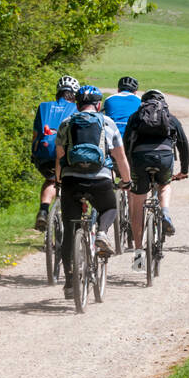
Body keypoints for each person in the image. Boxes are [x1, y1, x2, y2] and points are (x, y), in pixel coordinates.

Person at [54, 85, 131, 298]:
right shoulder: (107, 122)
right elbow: (120, 157)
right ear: (98, 104)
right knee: (109, 207)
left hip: (71, 180)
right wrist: (127, 180)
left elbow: (59, 156)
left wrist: (60, 181)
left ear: (77, 104)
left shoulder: (66, 123)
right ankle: (102, 233)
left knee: (70, 229)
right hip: (100, 179)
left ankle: (70, 282)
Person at [122, 89, 189, 271]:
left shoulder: (135, 117)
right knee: (165, 184)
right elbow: (183, 144)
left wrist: (128, 168)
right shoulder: (170, 117)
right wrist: (184, 170)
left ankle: (137, 253)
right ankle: (165, 212)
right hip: (165, 158)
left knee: (138, 205)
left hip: (140, 159)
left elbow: (126, 142)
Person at [30, 75, 78, 232]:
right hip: (66, 154)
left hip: (44, 152)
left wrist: (34, 154)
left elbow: (36, 134)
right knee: (73, 182)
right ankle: (72, 221)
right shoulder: (77, 109)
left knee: (50, 181)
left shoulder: (43, 106)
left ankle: (43, 211)